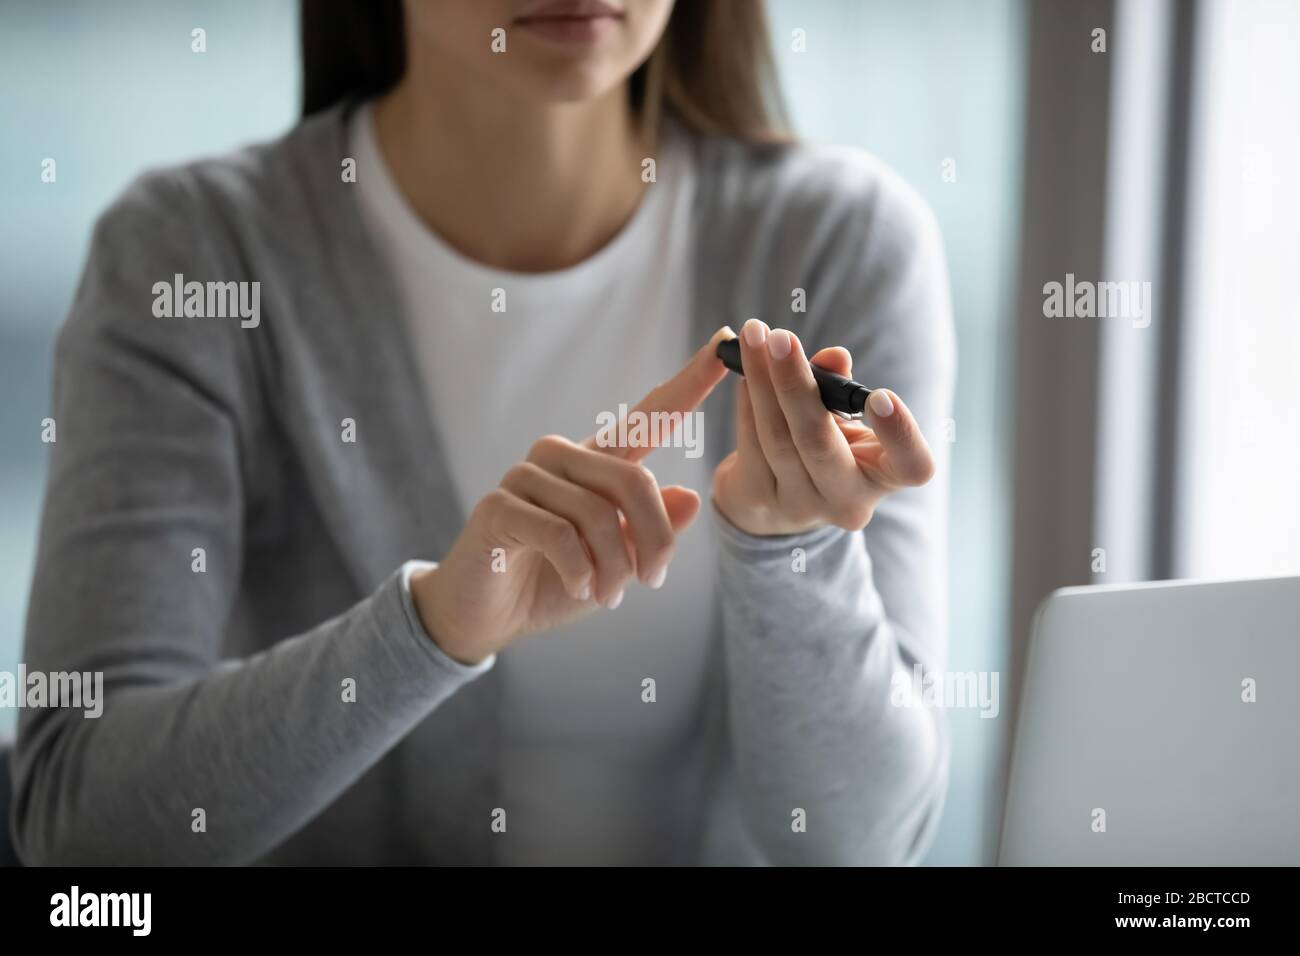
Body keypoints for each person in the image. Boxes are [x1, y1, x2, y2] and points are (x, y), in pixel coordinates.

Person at [12, 0, 955, 865]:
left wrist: (789, 554)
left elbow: (864, 846)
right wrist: (431, 630)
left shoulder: (841, 241)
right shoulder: (189, 259)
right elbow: (73, 824)